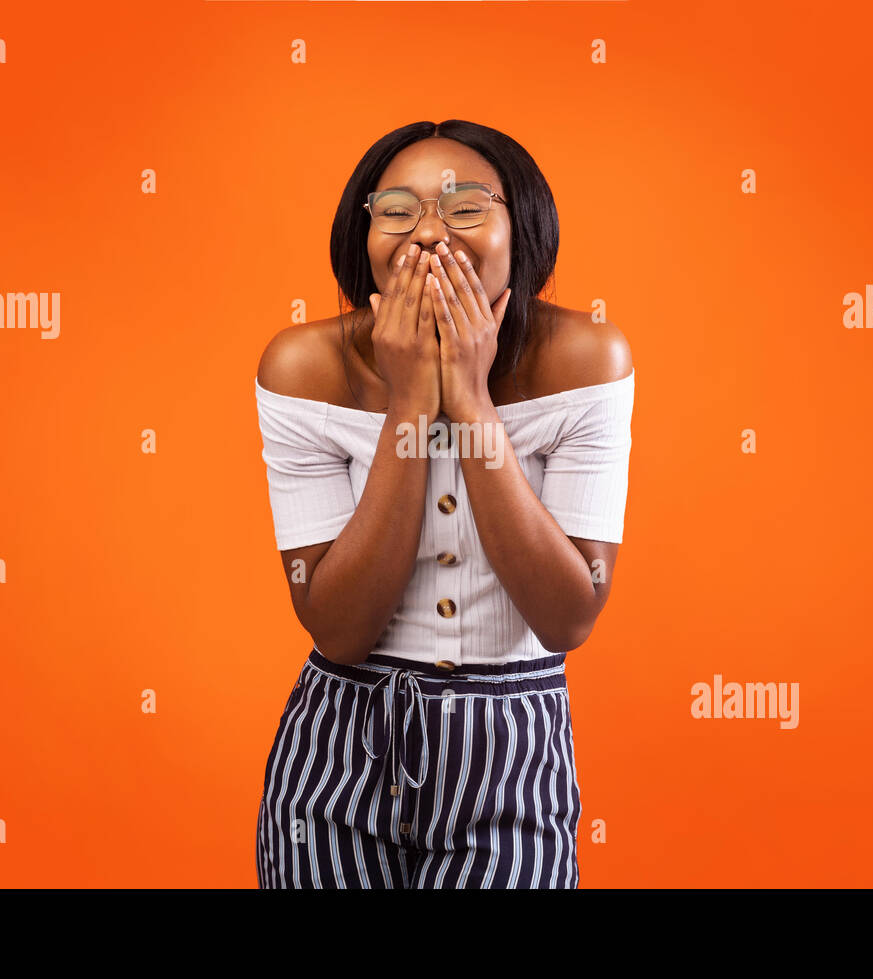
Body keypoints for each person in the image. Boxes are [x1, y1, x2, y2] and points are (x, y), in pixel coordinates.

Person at [253, 119, 634, 888]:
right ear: (361, 240)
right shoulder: (301, 366)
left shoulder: (589, 359)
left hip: (512, 759)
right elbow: (340, 626)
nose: (427, 233)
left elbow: (569, 616)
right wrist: (410, 406)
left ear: (521, 232)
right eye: (395, 210)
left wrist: (469, 399)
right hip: (336, 760)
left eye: (464, 209)